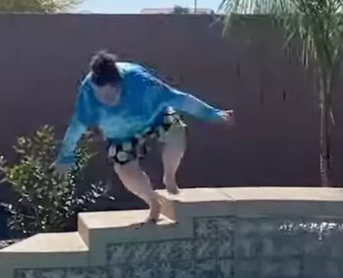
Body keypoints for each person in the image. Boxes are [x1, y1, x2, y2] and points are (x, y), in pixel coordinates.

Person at [54, 51, 234, 222]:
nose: (103, 100)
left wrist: (212, 114)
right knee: (125, 170)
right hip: (120, 134)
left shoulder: (141, 83)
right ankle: (153, 202)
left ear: (119, 84)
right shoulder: (88, 94)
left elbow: (180, 99)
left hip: (154, 117)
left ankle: (169, 175)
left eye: (109, 95)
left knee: (177, 132)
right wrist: (65, 156)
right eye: (99, 94)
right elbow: (76, 127)